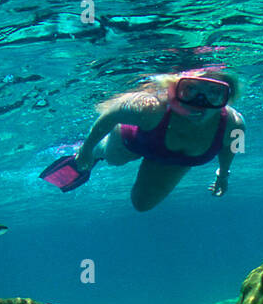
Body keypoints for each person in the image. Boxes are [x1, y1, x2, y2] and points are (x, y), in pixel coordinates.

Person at [74, 67, 244, 211]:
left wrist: (223, 174)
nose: (199, 101)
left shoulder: (236, 126)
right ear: (174, 88)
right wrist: (86, 150)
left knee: (142, 204)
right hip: (134, 141)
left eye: (215, 93)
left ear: (228, 97)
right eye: (190, 89)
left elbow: (233, 147)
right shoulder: (152, 108)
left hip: (177, 160)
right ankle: (98, 152)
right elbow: (110, 116)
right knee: (113, 159)